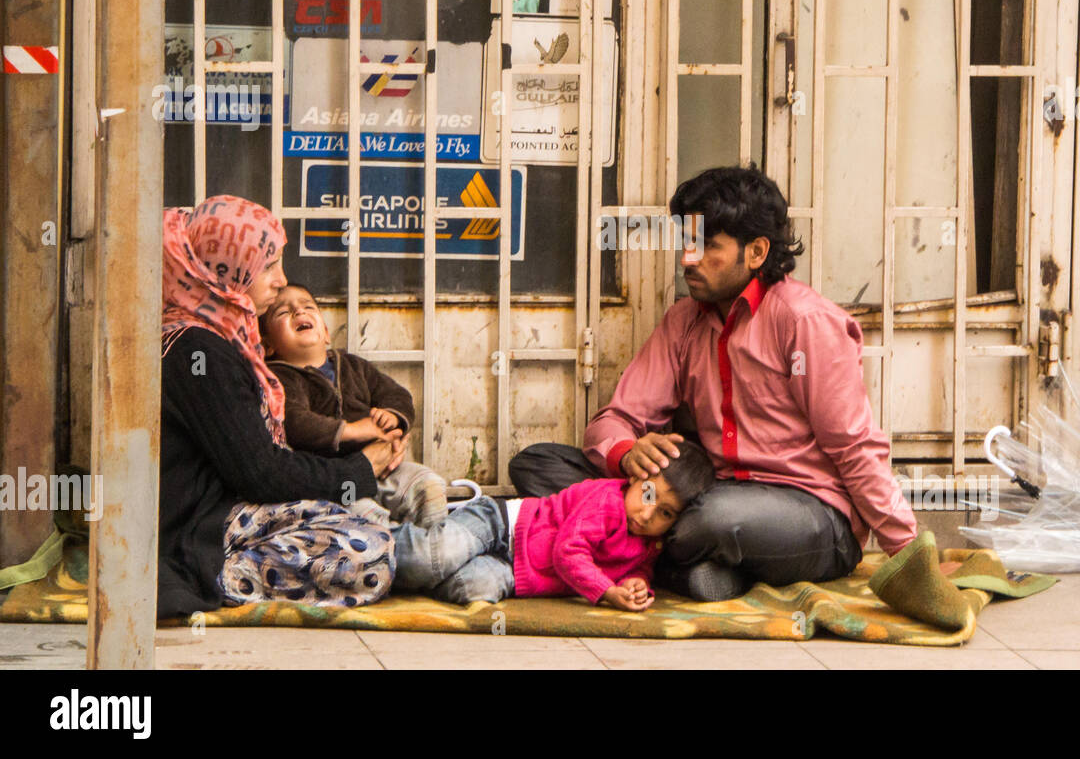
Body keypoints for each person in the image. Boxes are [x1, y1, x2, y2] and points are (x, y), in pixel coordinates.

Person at [510, 164, 918, 601]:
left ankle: (649, 559)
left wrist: (907, 553)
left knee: (711, 518)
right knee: (538, 465)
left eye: (707, 247)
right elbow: (616, 419)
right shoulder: (684, 322)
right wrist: (628, 454)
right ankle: (694, 572)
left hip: (811, 515)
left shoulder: (805, 323)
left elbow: (853, 446)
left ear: (757, 251)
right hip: (703, 497)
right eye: (687, 243)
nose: (688, 258)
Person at [158, 195, 400, 617]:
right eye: (268, 266)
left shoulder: (217, 335)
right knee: (372, 550)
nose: (280, 279)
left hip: (223, 511)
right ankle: (219, 576)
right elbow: (261, 473)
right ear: (227, 270)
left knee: (358, 519)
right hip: (200, 532)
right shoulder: (199, 352)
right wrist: (360, 470)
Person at [394, 439, 715, 608]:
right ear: (634, 476)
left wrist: (635, 583)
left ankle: (403, 574)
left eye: (666, 513)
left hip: (518, 574)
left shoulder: (650, 544)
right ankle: (382, 540)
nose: (647, 514)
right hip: (505, 525)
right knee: (438, 556)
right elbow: (567, 552)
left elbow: (636, 567)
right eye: (648, 494)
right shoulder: (607, 503)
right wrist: (605, 593)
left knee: (474, 587)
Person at [262, 283, 451, 530]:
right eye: (284, 312)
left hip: (386, 469)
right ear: (267, 347)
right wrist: (354, 430)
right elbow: (296, 422)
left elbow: (396, 394)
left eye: (308, 307)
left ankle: (436, 547)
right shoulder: (280, 378)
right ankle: (406, 558)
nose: (299, 312)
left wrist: (393, 420)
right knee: (366, 520)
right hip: (339, 483)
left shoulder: (353, 365)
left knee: (430, 485)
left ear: (327, 333)